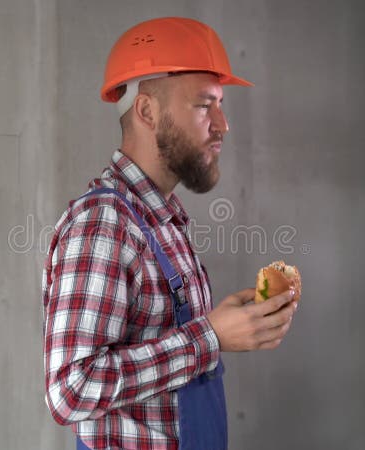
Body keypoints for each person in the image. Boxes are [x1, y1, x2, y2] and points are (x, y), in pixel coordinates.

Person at [42, 17, 299, 450]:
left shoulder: (159, 219)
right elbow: (70, 389)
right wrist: (210, 337)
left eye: (220, 104)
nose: (222, 124)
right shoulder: (105, 223)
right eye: (204, 105)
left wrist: (230, 322)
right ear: (147, 110)